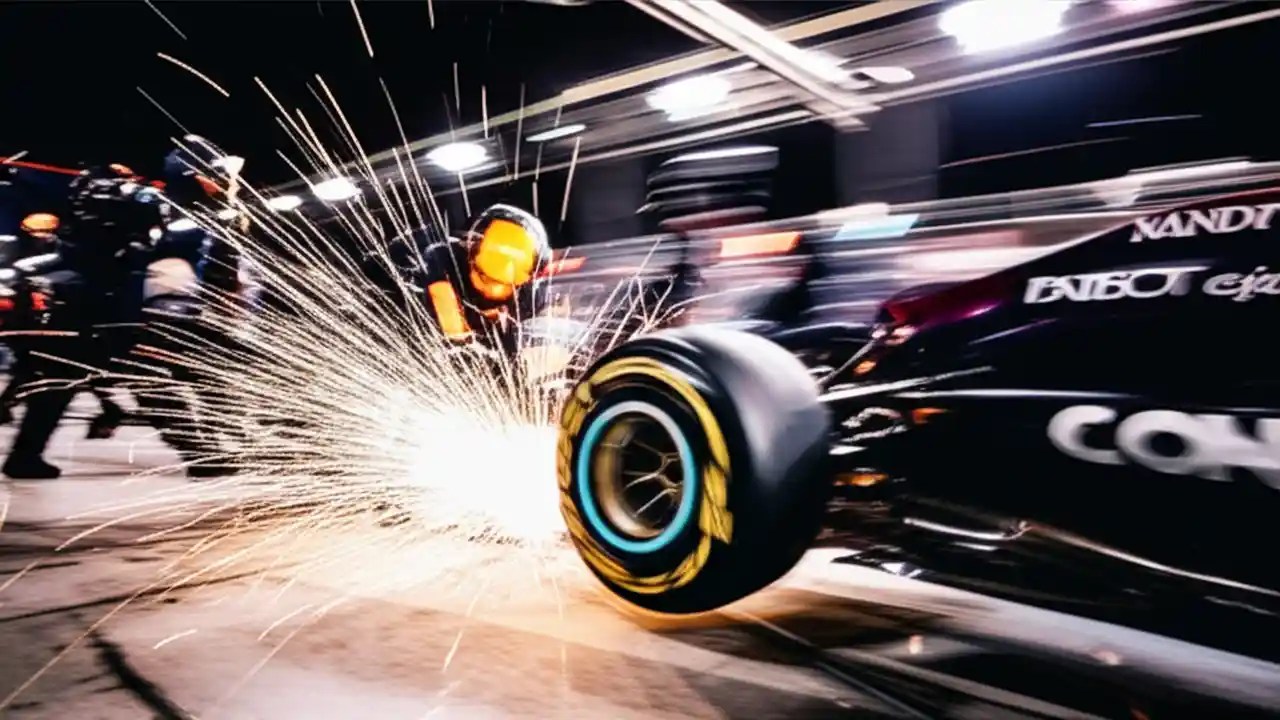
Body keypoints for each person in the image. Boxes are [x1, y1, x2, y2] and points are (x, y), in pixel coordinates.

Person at [2, 164, 158, 479]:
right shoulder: (112, 225)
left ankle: (25, 455)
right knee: (151, 382)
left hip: (77, 316)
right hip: (97, 314)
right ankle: (202, 454)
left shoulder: (80, 227)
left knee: (54, 388)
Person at [369, 204, 551, 357]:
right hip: (389, 295)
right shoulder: (442, 262)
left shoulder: (530, 296)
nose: (494, 291)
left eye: (504, 286)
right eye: (485, 278)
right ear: (470, 257)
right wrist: (463, 346)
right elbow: (454, 333)